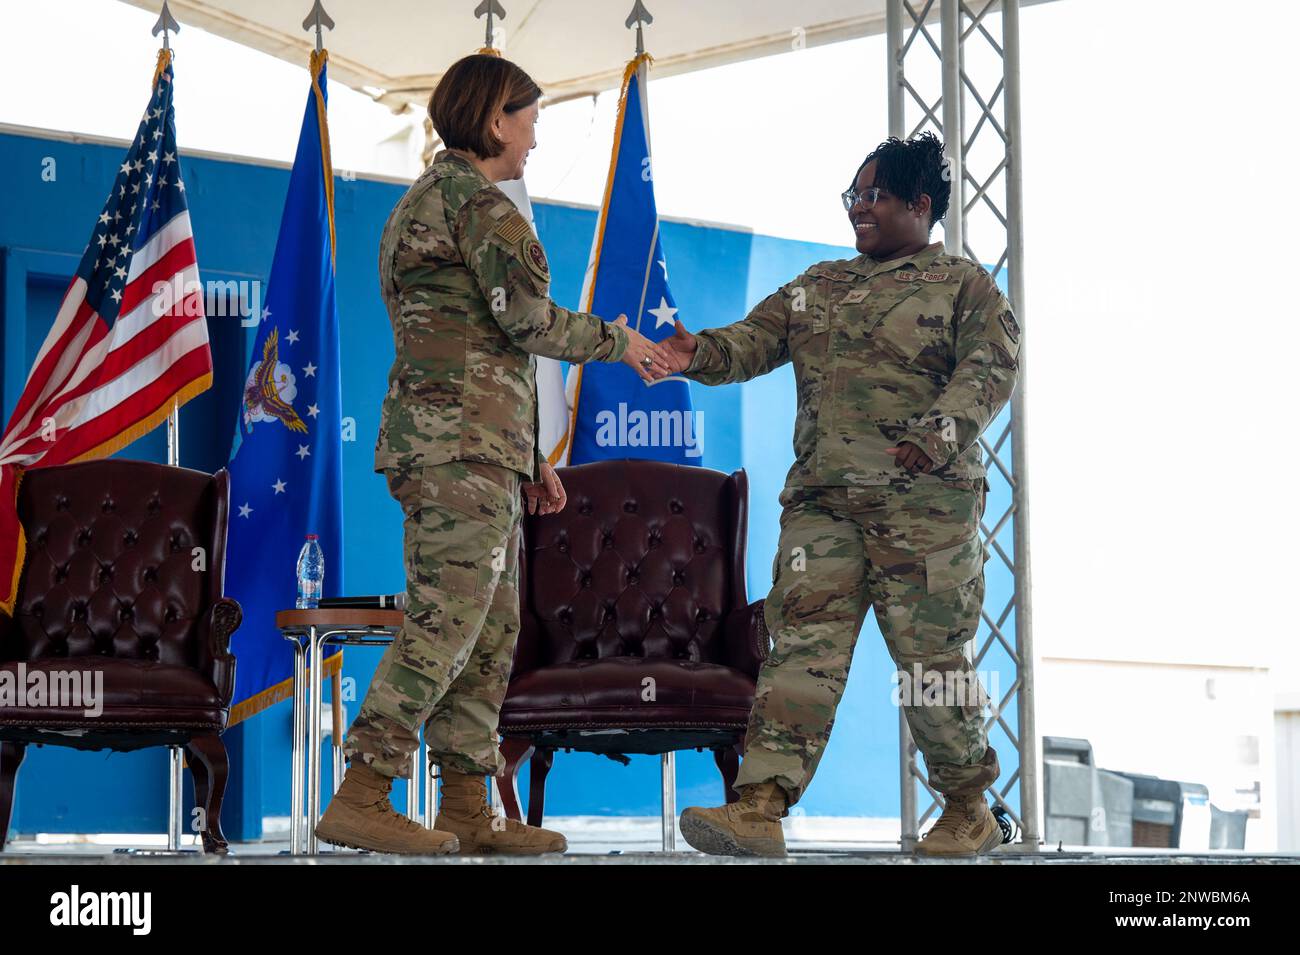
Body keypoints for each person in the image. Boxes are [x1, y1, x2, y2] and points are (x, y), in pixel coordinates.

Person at [316, 53, 672, 856]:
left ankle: (469, 809)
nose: (536, 139)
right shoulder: (481, 207)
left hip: (466, 446)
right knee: (447, 624)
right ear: (493, 118)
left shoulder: (416, 207)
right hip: (459, 452)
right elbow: (528, 323)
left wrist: (524, 458)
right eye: (530, 120)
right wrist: (620, 342)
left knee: (488, 629)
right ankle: (364, 788)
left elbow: (464, 342)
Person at [663, 132, 1020, 858]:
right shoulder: (816, 285)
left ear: (920, 205)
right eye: (852, 196)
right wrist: (692, 353)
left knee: (931, 664)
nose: (859, 208)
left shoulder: (965, 286)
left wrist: (941, 430)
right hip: (824, 507)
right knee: (800, 651)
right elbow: (747, 342)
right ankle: (759, 806)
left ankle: (965, 805)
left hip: (924, 513)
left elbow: (992, 365)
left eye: (873, 195)